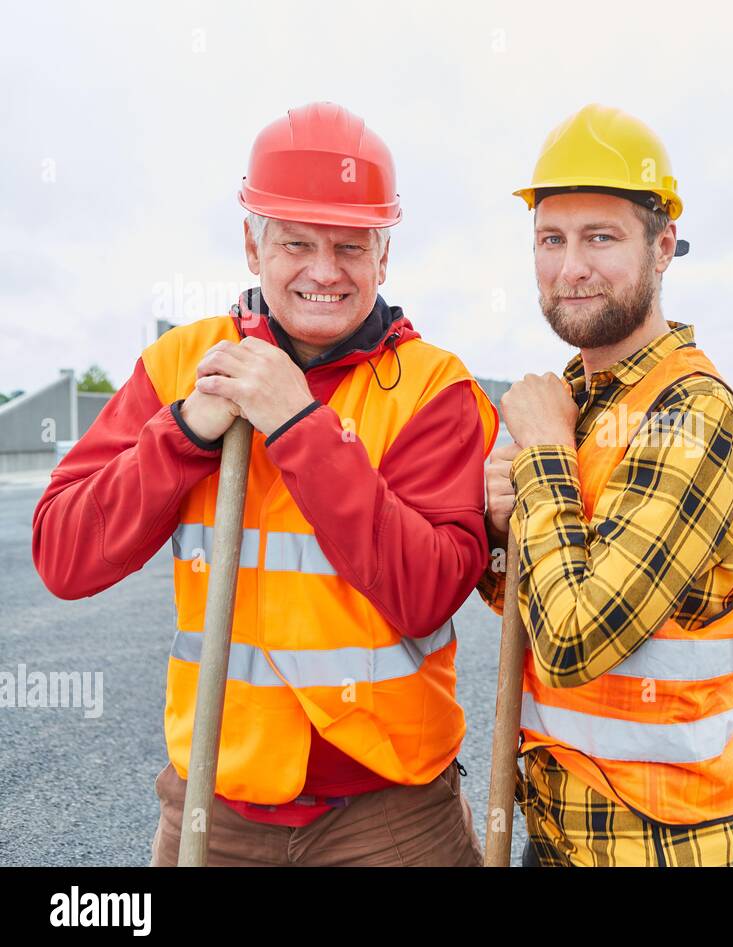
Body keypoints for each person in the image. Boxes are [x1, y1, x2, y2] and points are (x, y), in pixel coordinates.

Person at [32, 102, 498, 866]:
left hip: (390, 816)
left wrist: (297, 424)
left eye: (350, 246)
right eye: (295, 242)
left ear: (386, 255)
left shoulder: (432, 387)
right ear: (252, 245)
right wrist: (182, 433)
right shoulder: (182, 368)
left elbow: (427, 592)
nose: (323, 270)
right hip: (214, 810)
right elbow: (63, 556)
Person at [477, 103, 733, 866]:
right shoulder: (580, 401)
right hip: (558, 825)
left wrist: (542, 457)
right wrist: (500, 529)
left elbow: (577, 638)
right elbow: (531, 602)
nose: (570, 266)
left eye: (599, 237)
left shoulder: (691, 413)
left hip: (657, 841)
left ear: (663, 245)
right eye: (551, 239)